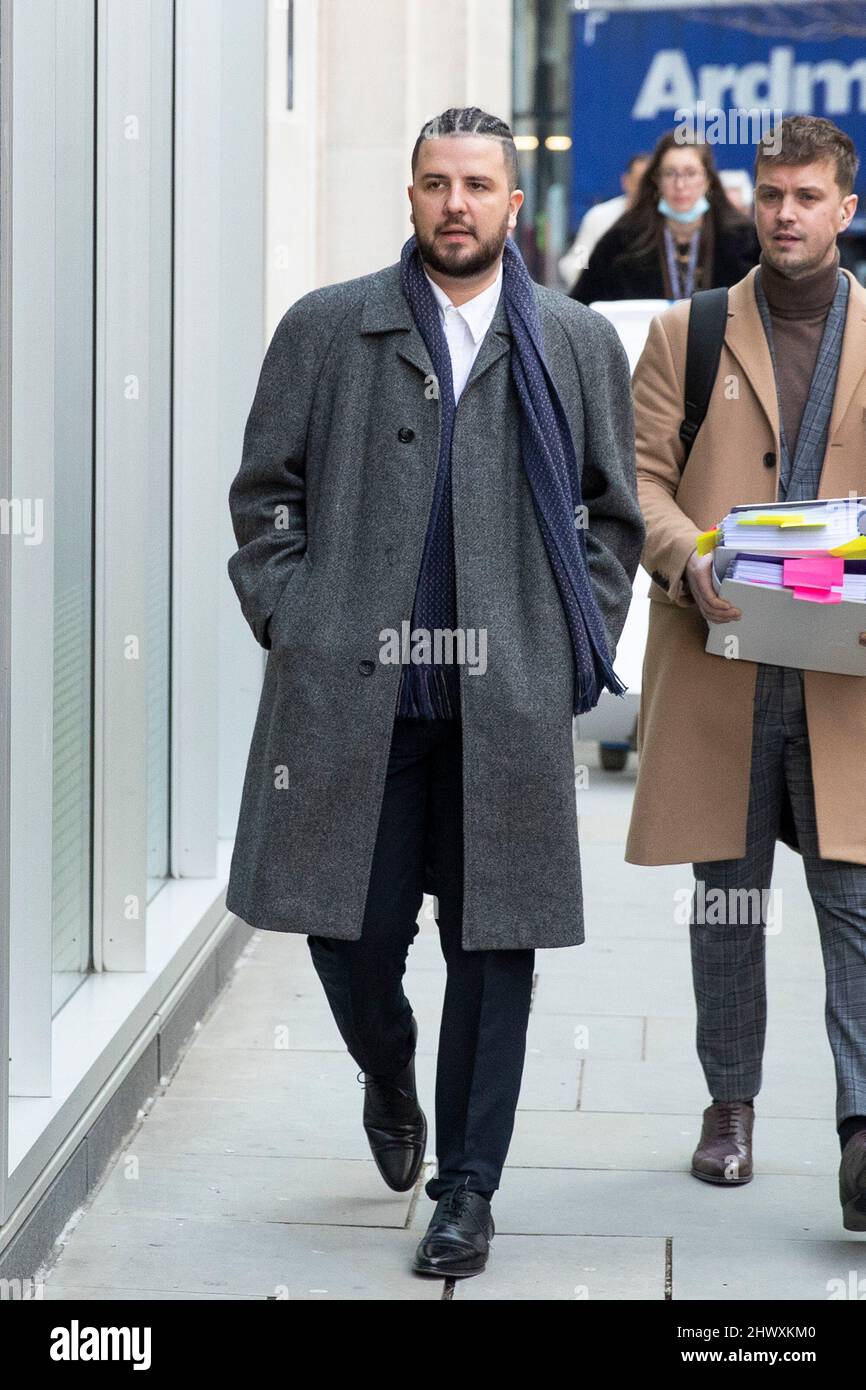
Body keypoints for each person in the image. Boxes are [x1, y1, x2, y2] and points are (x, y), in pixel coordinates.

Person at [225, 105, 645, 1279]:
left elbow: (608, 515)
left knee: (492, 947)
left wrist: (565, 643)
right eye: (433, 183)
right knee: (346, 935)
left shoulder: (569, 341)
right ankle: (386, 1066)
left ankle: (466, 1188)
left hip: (499, 704)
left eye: (477, 184)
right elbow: (264, 497)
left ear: (516, 205)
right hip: (356, 701)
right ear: (407, 198)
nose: (454, 203)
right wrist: (295, 618)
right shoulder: (327, 328)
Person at [624, 115, 866, 1232]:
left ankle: (861, 1132)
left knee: (853, 903)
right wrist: (688, 556)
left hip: (843, 676)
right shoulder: (686, 331)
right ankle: (728, 1108)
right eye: (770, 193)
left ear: (843, 208)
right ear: (749, 200)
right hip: (721, 659)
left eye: (806, 195)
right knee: (724, 903)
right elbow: (636, 487)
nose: (783, 213)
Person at [571, 131, 759, 305]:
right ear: (656, 180)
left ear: (708, 179)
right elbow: (582, 299)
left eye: (690, 173)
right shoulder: (621, 240)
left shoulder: (743, 240)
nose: (680, 184)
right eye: (670, 173)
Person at [559, 152, 649, 291]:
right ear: (626, 181)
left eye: (650, 184)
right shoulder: (598, 217)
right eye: (639, 182)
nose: (644, 190)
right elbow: (578, 260)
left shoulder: (667, 221)